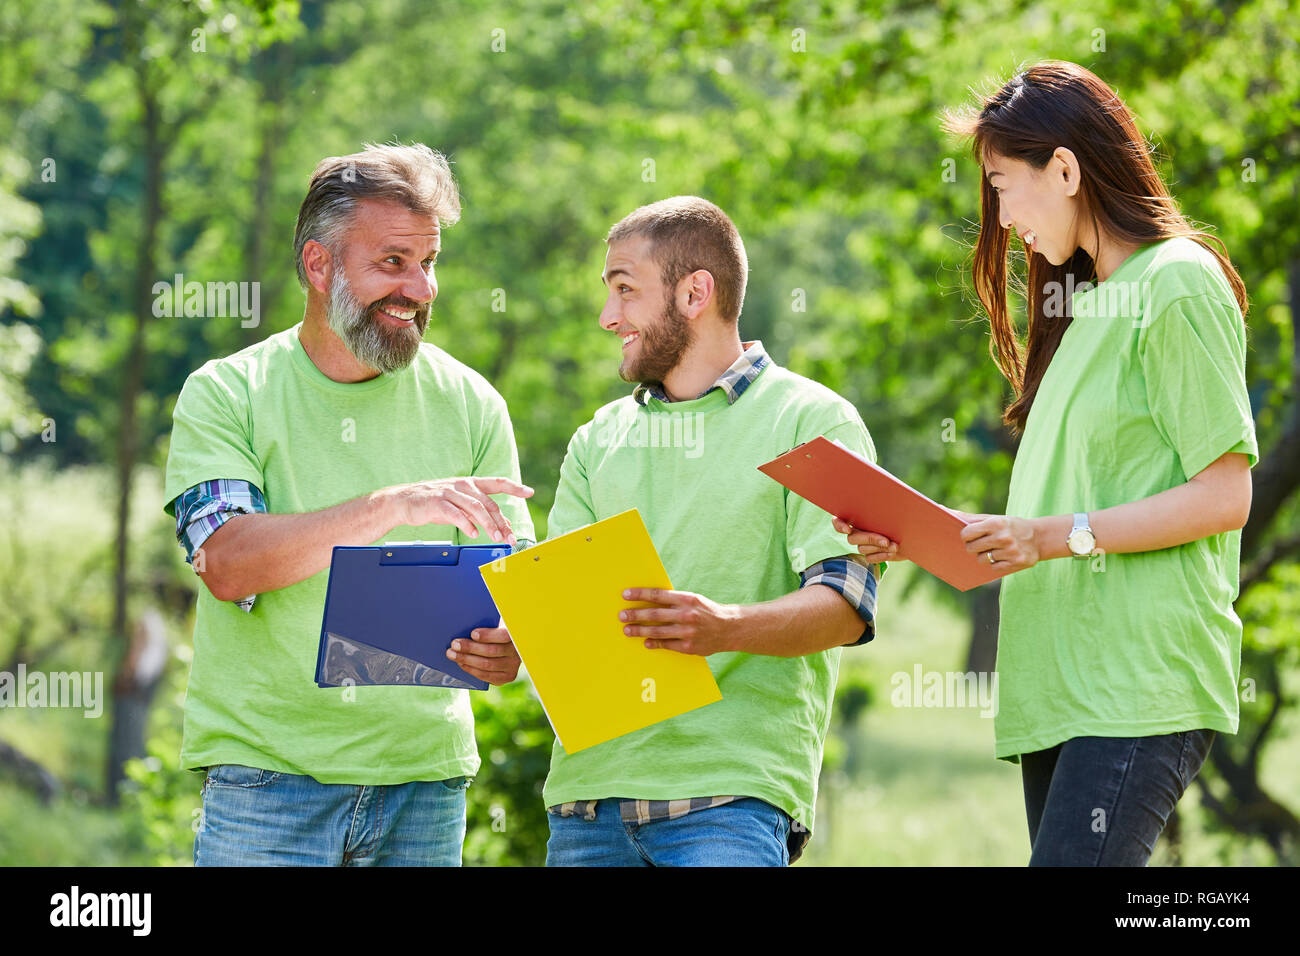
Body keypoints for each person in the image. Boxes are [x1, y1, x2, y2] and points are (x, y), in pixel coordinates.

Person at [838, 61, 1257, 866]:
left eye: (1001, 184)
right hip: (1060, 688)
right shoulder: (1085, 311)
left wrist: (1055, 536)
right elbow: (1066, 513)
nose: (997, 214)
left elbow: (1224, 493)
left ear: (1063, 168)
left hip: (1137, 683)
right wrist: (931, 534)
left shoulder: (1177, 282)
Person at [163, 143, 534, 866]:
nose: (420, 288)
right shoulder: (227, 393)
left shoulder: (474, 404)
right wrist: (387, 507)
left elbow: (514, 595)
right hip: (267, 786)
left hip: (423, 791)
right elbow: (227, 563)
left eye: (429, 263)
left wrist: (510, 648)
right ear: (319, 265)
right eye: (393, 263)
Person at [541, 196, 882, 866]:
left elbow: (846, 607)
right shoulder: (596, 440)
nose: (608, 317)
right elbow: (564, 617)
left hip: (728, 803)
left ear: (696, 292)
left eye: (625, 291)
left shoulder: (814, 421)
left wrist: (723, 626)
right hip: (587, 806)